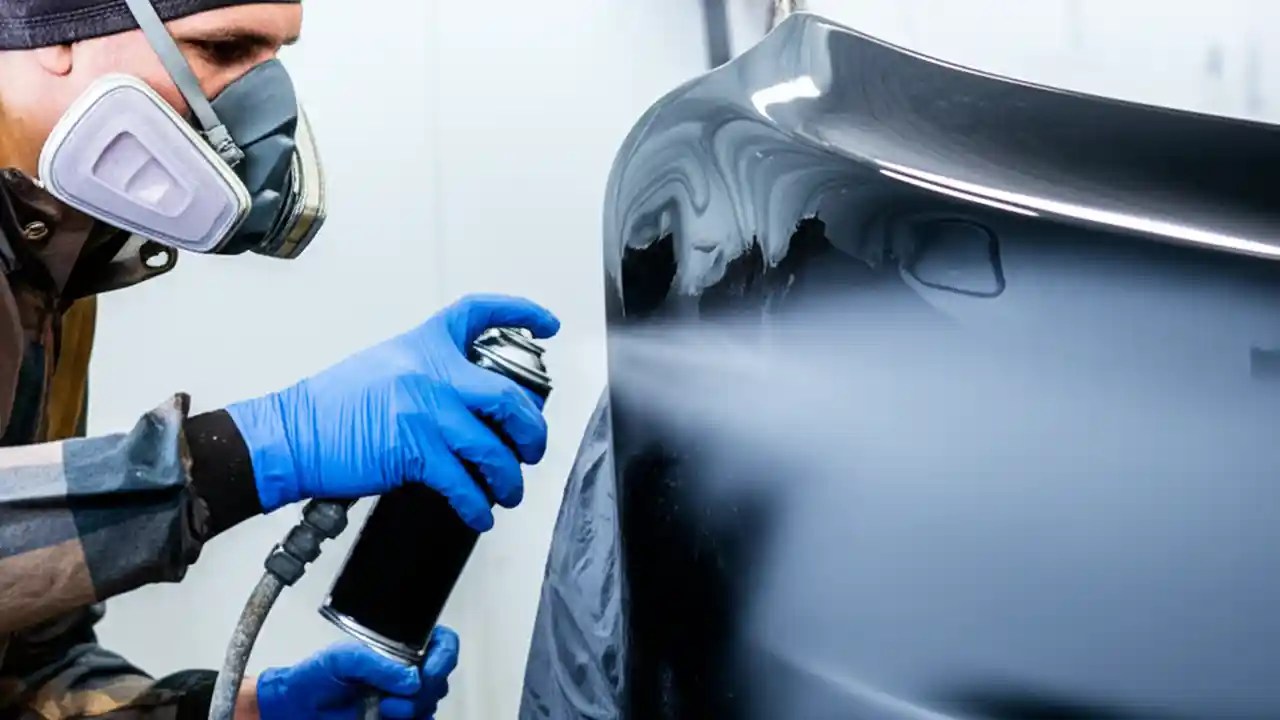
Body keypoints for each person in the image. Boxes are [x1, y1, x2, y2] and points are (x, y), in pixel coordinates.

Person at [0, 1, 561, 718]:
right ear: (58, 35)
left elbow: (27, 663)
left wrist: (244, 711)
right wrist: (257, 451)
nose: (265, 107)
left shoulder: (53, 270)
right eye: (225, 48)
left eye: (275, 54)